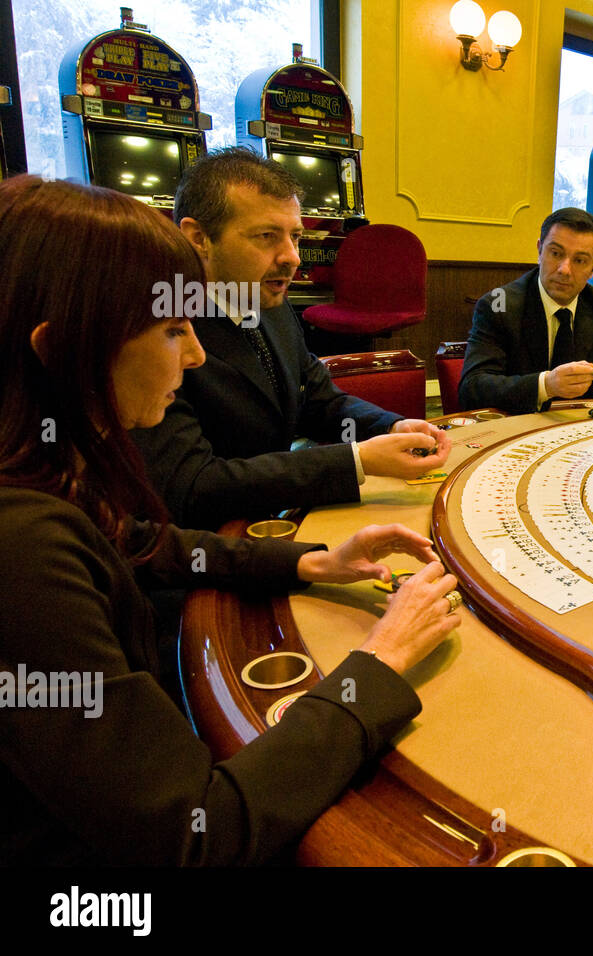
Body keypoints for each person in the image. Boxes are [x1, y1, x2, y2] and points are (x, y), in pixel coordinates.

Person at [0, 175, 462, 864]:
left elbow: (133, 541)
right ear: (61, 348)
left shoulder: (44, 467)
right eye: (171, 331)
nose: (192, 354)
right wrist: (379, 663)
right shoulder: (20, 554)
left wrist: (308, 562)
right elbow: (196, 832)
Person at [129, 148, 450, 531]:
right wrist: (357, 461)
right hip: (194, 552)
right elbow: (193, 487)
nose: (292, 257)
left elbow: (318, 400)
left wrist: (391, 428)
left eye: (295, 237)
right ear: (198, 237)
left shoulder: (272, 302)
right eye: (267, 237)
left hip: (268, 521)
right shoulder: (153, 328)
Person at [458, 207, 593, 414]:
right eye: (556, 253)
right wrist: (546, 385)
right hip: (517, 424)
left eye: (579, 260)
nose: (564, 269)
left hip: (578, 428)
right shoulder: (499, 305)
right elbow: (472, 388)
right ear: (540, 251)